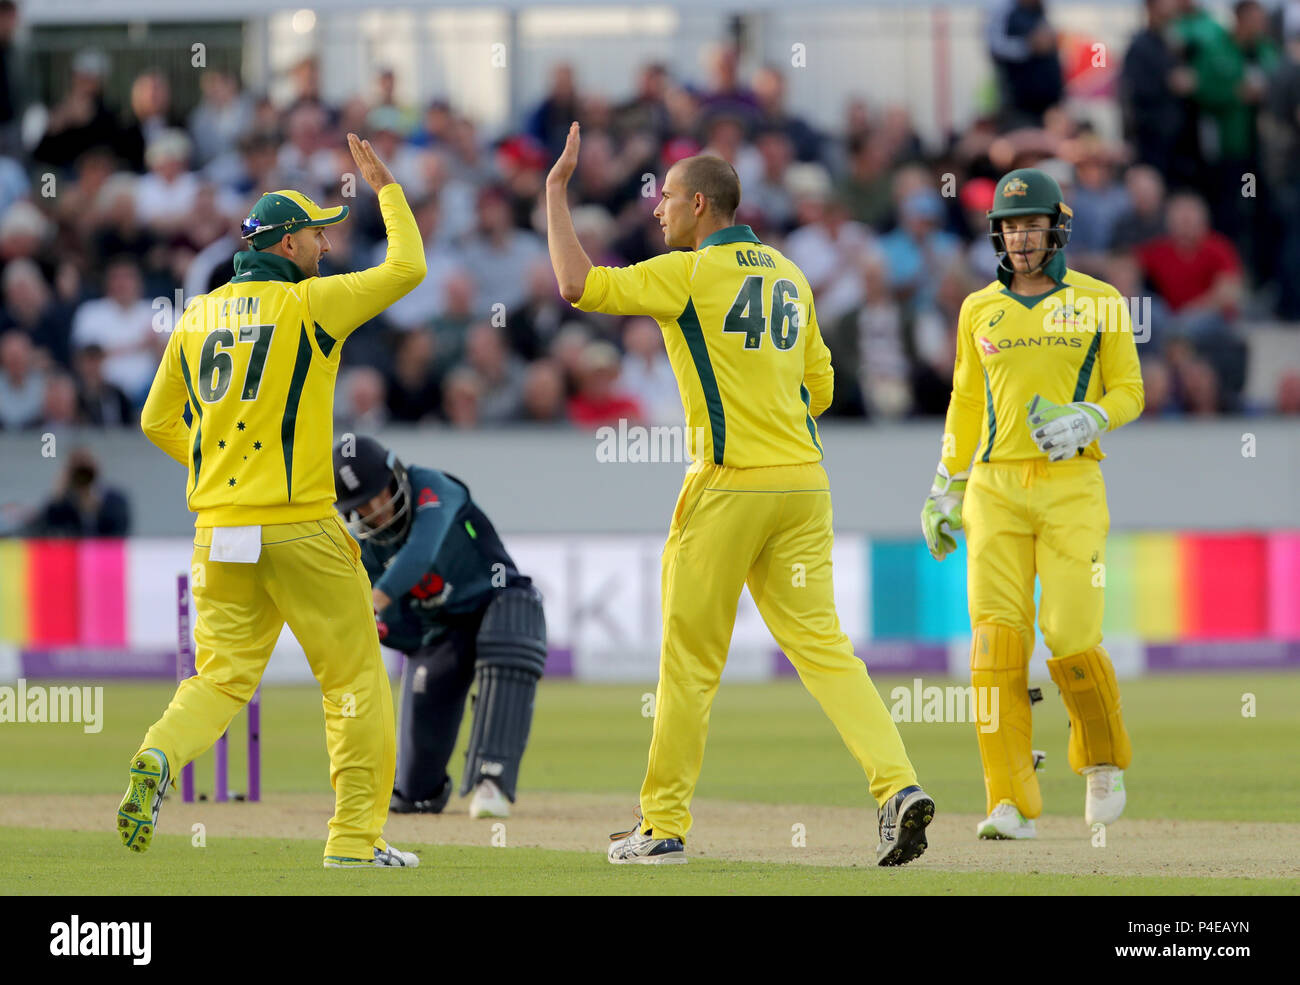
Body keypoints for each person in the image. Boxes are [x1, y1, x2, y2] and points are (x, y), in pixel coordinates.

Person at [546, 122, 934, 867]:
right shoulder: (789, 273)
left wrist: (557, 192)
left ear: (698, 205)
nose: (656, 211)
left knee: (689, 662)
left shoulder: (686, 274)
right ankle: (897, 786)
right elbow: (820, 386)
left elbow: (574, 285)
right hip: (805, 486)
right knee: (827, 652)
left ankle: (661, 825)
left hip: (728, 486)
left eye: (664, 199)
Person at [119, 133, 428, 869]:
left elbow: (155, 421)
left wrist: (216, 460)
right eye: (316, 233)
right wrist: (386, 188)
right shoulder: (313, 304)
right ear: (287, 244)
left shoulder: (196, 317)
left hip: (218, 530)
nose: (325, 243)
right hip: (300, 527)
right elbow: (409, 266)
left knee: (219, 679)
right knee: (354, 678)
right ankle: (355, 842)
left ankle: (157, 756)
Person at [920, 168, 1144, 841]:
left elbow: (1131, 390)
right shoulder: (977, 308)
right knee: (994, 644)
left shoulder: (1101, 300)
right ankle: (1009, 799)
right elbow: (965, 402)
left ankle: (1101, 758)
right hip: (993, 488)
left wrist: (1090, 417)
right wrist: (944, 484)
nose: (1020, 238)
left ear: (1056, 229)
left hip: (1071, 485)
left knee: (1071, 636)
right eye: (1011, 226)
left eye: (1032, 225)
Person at [332, 435, 545, 820]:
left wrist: (375, 601)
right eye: (361, 505)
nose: (375, 510)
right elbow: (378, 620)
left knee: (510, 636)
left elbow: (421, 552)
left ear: (395, 474)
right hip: (441, 631)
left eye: (378, 493)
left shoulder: (433, 488)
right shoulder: (360, 544)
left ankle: (490, 782)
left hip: (497, 601)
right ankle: (424, 789)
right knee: (413, 793)